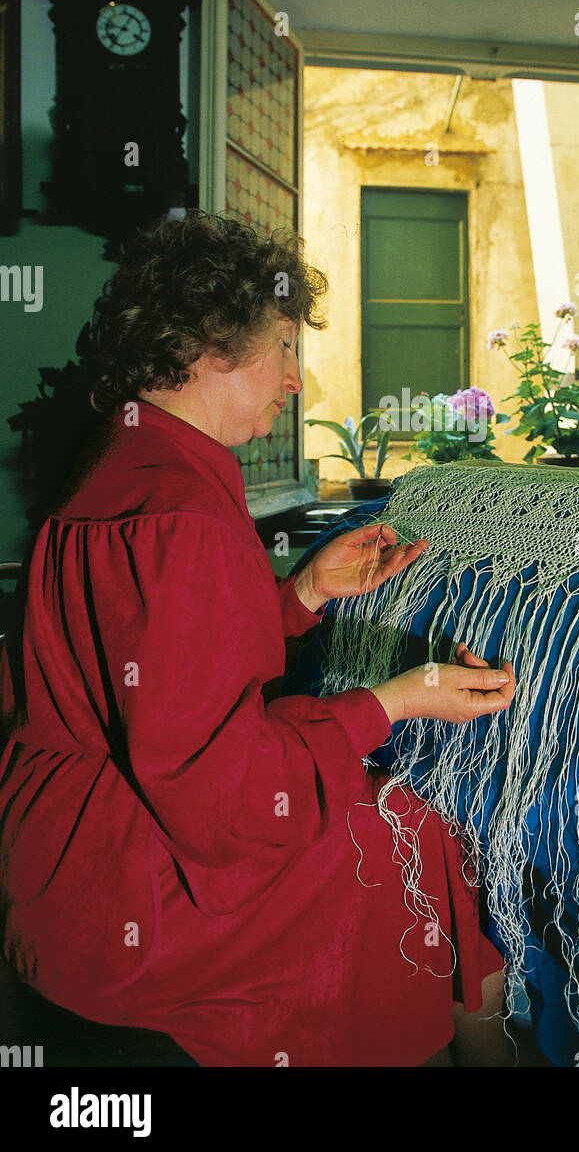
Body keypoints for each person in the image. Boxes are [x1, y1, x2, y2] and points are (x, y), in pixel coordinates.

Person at [0, 211, 518, 1068]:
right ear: (211, 343)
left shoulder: (125, 465)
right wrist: (390, 704)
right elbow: (219, 804)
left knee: (397, 824)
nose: (294, 383)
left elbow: (150, 670)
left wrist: (304, 592)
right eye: (284, 347)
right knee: (412, 834)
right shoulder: (184, 513)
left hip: (56, 866)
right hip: (133, 896)